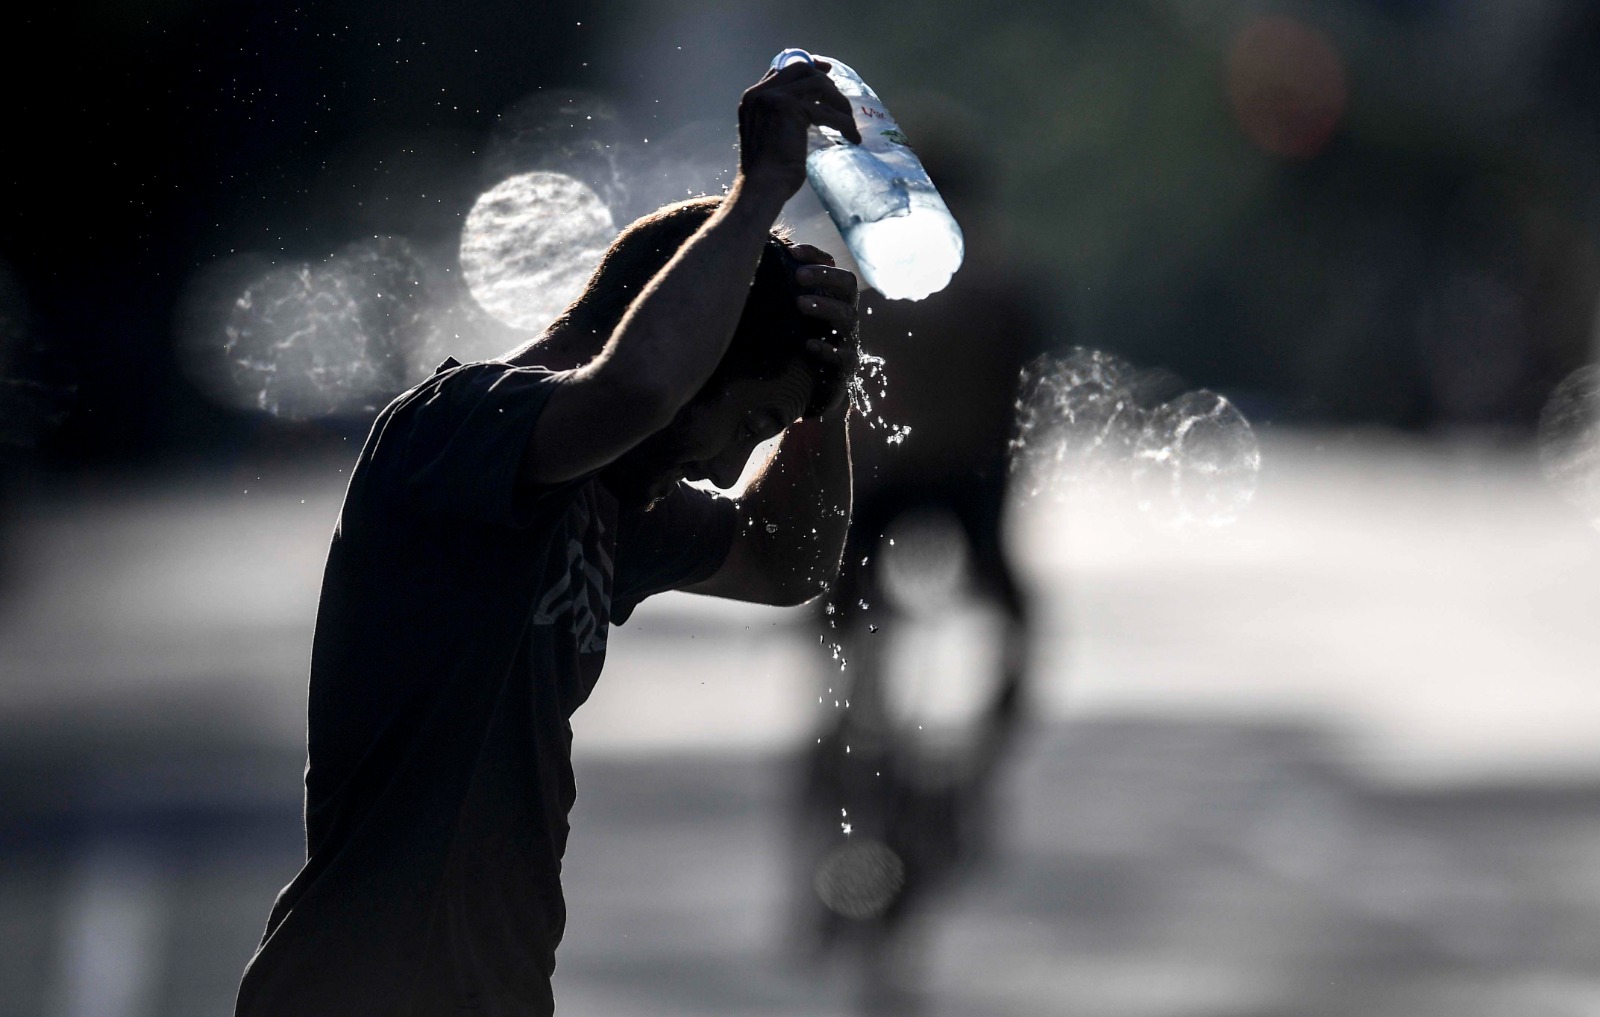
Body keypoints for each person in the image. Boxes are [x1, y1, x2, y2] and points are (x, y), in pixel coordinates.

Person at [234, 60, 862, 1017]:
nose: (730, 468)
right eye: (744, 421)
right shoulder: (455, 431)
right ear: (684, 351)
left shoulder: (614, 503)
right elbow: (637, 390)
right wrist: (758, 198)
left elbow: (788, 562)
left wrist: (825, 392)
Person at [793, 107, 1050, 1014]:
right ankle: (974, 780)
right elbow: (1019, 426)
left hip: (876, 489)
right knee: (1019, 632)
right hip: (961, 489)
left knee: (830, 656)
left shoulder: (843, 265)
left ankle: (819, 817)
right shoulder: (1005, 282)